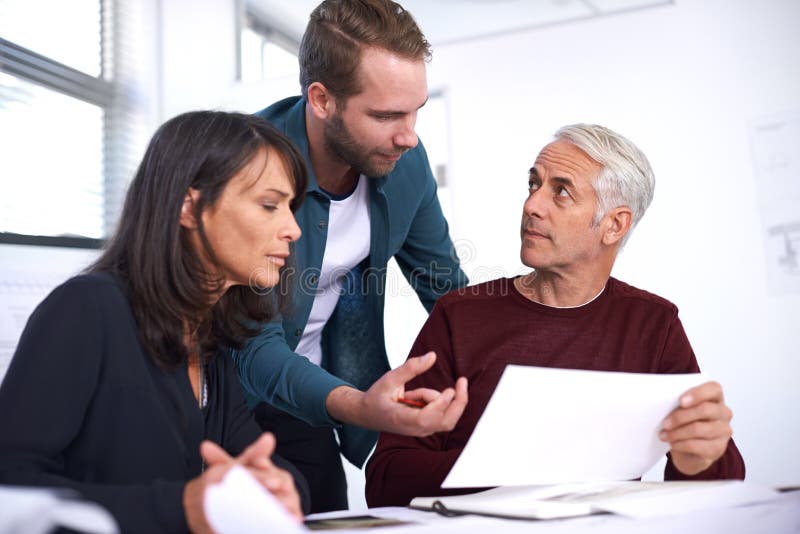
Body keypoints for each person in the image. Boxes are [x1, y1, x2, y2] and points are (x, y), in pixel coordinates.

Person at [365, 124, 746, 507]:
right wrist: (516, 468)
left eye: (561, 191)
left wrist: (698, 459)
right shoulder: (459, 316)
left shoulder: (653, 324)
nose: (532, 205)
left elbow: (719, 484)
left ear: (614, 225)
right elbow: (386, 479)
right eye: (534, 184)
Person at [0, 111, 311, 532]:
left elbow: (265, 463)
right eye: (270, 205)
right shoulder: (86, 309)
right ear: (189, 206)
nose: (293, 229)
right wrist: (182, 507)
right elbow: (9, 485)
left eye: (291, 208)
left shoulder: (211, 342)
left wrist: (279, 487)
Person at [233, 0, 469, 512]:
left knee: (330, 514)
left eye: (416, 110)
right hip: (225, 394)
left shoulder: (406, 162)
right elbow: (254, 346)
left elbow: (446, 288)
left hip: (311, 391)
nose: (408, 136)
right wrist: (362, 407)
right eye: (385, 115)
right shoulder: (248, 165)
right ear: (321, 99)